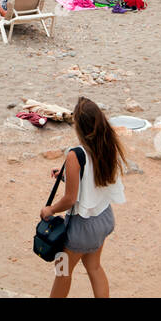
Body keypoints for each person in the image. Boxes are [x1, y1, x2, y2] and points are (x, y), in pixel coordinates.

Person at [40, 97, 127, 298]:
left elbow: (70, 199)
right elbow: (94, 181)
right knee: (94, 267)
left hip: (81, 227)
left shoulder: (75, 154)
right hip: (103, 218)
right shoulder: (107, 145)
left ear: (79, 125)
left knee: (62, 271)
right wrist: (66, 176)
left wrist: (50, 210)